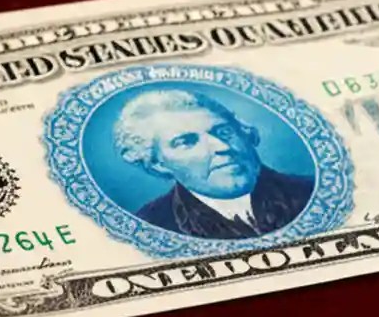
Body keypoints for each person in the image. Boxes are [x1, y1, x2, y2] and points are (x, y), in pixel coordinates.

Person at [113, 88, 313, 238]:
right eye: (186, 142)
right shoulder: (150, 227)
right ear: (158, 164)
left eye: (224, 132)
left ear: (244, 133)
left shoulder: (312, 190)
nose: (221, 146)